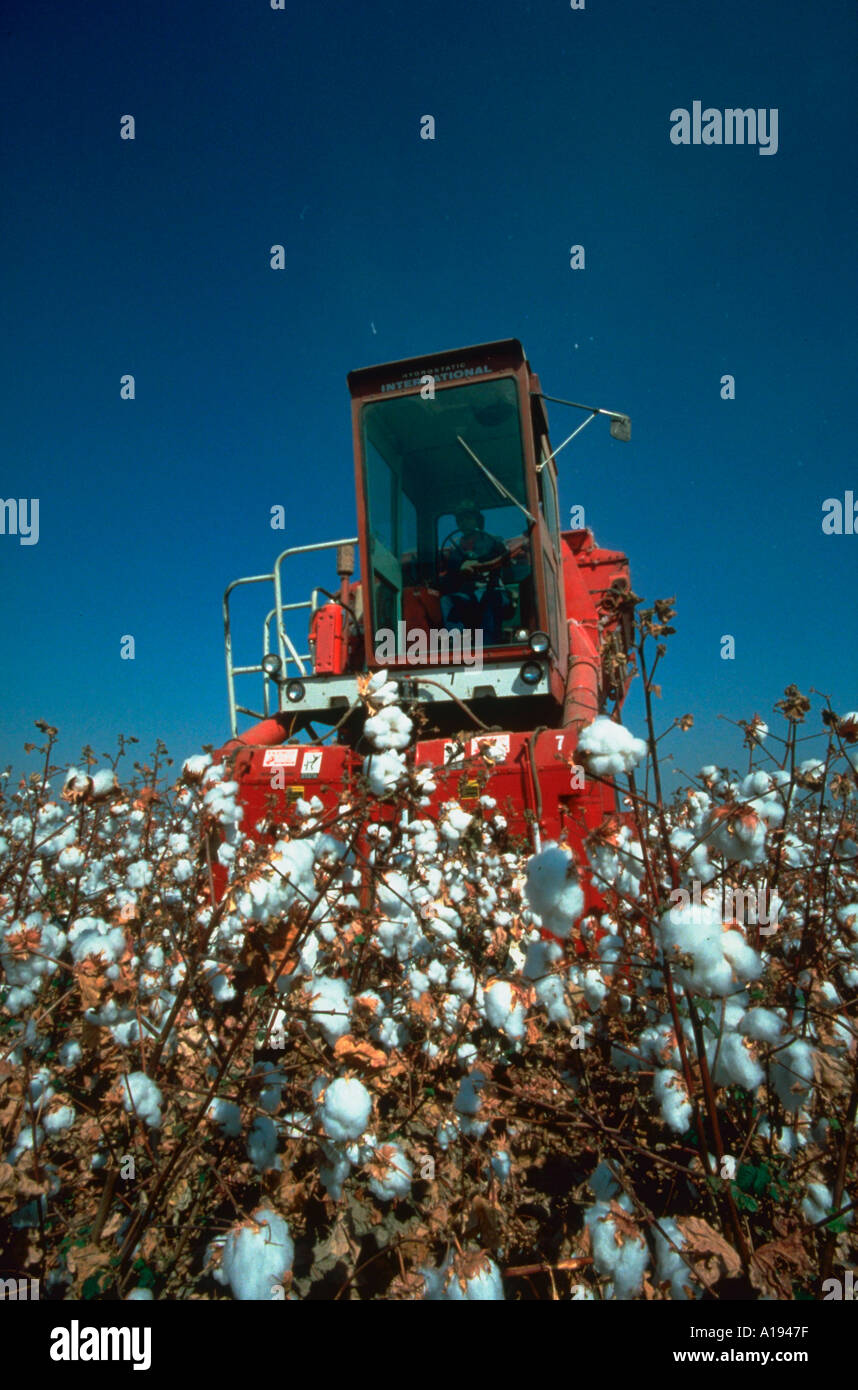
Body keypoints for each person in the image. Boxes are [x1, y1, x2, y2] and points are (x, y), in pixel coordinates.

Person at [438, 499, 513, 644]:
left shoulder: (494, 542)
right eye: (460, 520)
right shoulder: (454, 550)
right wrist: (459, 572)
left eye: (468, 518)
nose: (463, 523)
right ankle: (456, 644)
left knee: (490, 598)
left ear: (477, 520)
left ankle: (488, 645)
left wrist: (478, 565)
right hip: (468, 595)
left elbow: (503, 559)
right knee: (447, 601)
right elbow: (450, 579)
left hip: (494, 590)